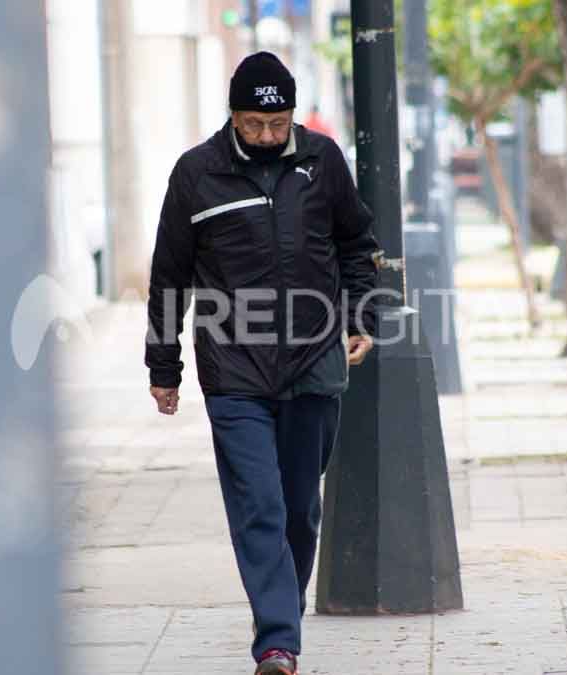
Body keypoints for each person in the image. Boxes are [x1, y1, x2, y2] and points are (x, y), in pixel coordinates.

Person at [144, 51, 379, 675]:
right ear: (234, 117)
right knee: (261, 506)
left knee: (300, 508)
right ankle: (278, 642)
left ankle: (278, 608)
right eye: (255, 125)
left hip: (312, 361)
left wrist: (361, 317)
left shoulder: (321, 162)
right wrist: (163, 367)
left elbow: (357, 244)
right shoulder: (196, 175)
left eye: (278, 125)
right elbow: (169, 277)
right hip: (234, 370)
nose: (269, 137)